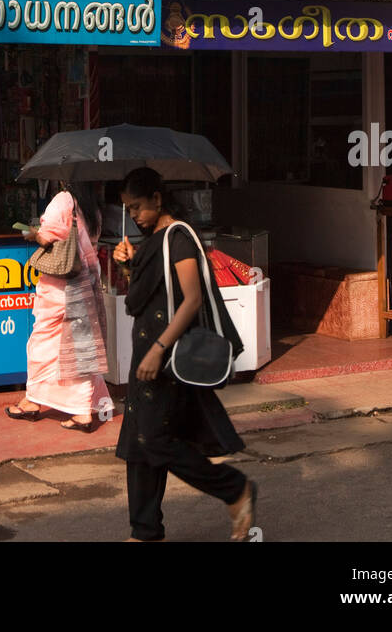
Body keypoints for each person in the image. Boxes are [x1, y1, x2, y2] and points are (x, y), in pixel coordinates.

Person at [113, 168, 256, 543]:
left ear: (158, 199)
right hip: (147, 354)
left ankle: (234, 488)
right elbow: (148, 298)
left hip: (167, 358)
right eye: (128, 209)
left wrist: (159, 351)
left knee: (155, 440)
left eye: (139, 207)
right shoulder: (152, 242)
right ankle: (144, 531)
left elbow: (190, 300)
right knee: (138, 444)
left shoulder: (178, 237)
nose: (134, 216)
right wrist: (128, 266)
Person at [6, 183, 112, 432]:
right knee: (79, 346)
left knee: (42, 344)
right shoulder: (92, 207)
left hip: (59, 286)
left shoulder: (63, 200)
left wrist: (32, 233)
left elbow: (47, 236)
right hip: (86, 281)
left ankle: (35, 402)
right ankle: (80, 407)